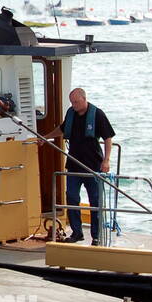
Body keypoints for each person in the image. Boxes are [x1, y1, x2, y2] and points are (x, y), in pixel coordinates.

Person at [41, 87, 115, 245]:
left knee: (95, 200)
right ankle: (77, 232)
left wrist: (106, 160)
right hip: (74, 164)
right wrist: (46, 137)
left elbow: (108, 138)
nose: (73, 105)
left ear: (84, 99)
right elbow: (61, 129)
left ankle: (96, 236)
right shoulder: (71, 113)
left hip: (92, 166)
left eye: (76, 102)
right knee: (72, 197)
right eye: (72, 102)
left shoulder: (97, 114)